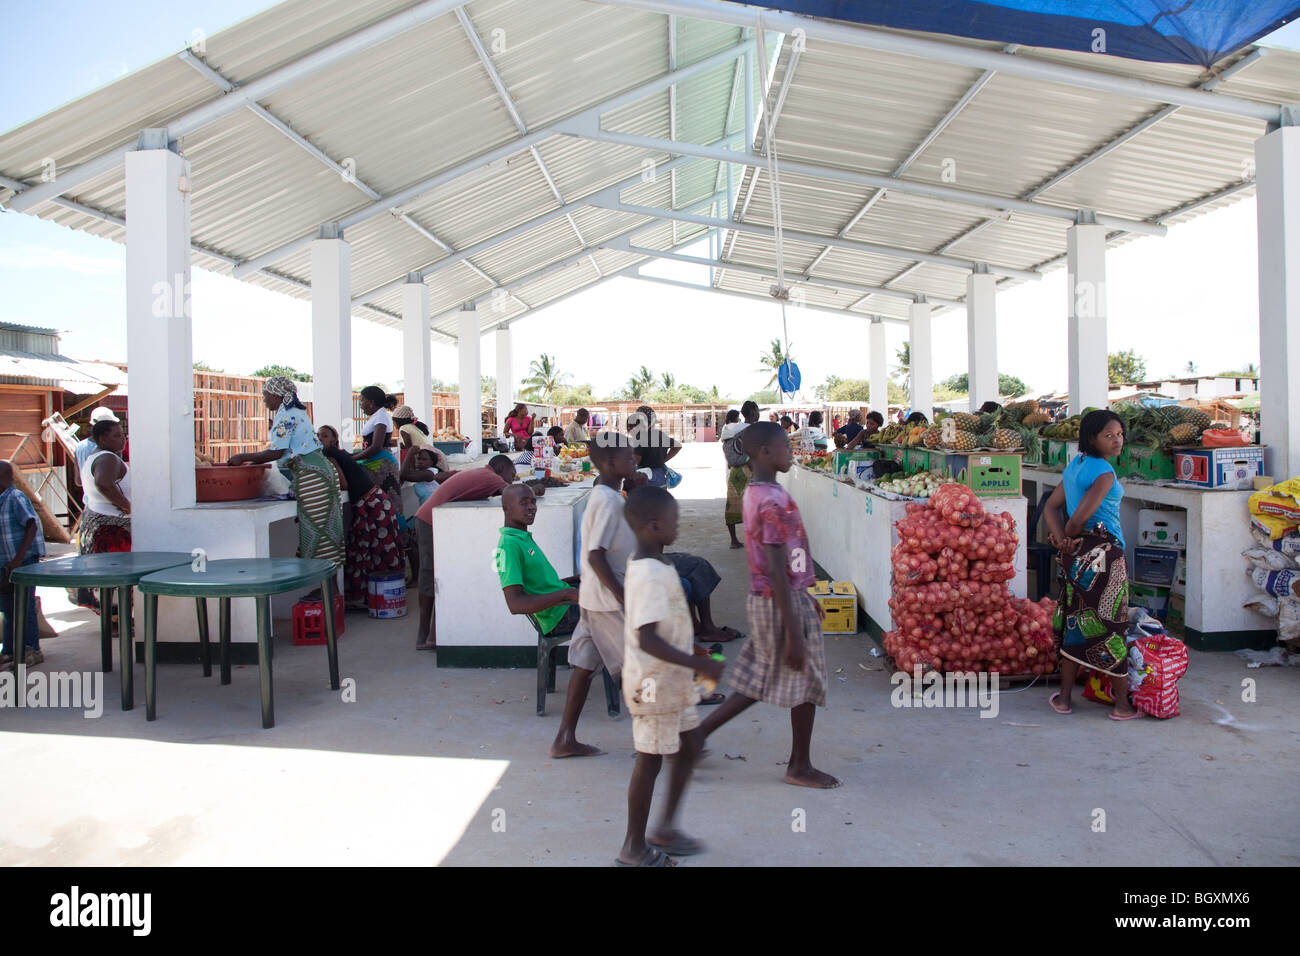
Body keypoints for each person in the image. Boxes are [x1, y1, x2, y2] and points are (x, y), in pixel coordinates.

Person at [692, 422, 839, 789]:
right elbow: (776, 567)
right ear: (764, 453)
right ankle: (799, 765)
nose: (792, 452)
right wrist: (792, 629)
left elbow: (789, 558)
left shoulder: (761, 492)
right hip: (778, 602)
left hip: (777, 599)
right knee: (804, 682)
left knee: (757, 681)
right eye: (786, 447)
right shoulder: (771, 500)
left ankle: (693, 737)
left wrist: (806, 593)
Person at [617, 486, 726, 866]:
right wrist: (699, 664)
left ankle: (664, 828)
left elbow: (666, 627)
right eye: (674, 521)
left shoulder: (659, 565)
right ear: (652, 525)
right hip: (652, 685)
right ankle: (633, 847)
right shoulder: (647, 574)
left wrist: (693, 652)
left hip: (673, 680)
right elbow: (647, 638)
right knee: (650, 759)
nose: (679, 526)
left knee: (692, 741)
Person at [1043, 410, 1139, 720]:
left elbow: (1051, 507)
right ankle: (1123, 706)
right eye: (1108, 435)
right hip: (1104, 557)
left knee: (1076, 623)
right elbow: (1078, 520)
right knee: (1111, 628)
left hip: (1077, 556)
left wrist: (1062, 542)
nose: (1117, 440)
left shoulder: (1076, 466)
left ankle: (1064, 699)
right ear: (1092, 438)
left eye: (1119, 434)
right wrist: (1067, 534)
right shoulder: (1103, 473)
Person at [549, 433, 639, 757]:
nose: (635, 461)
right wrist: (623, 596)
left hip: (592, 598)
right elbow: (596, 555)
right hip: (607, 602)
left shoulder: (610, 496)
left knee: (585, 665)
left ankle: (564, 739)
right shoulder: (607, 500)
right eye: (629, 458)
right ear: (610, 463)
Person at [229, 377, 344, 566]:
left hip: (312, 477)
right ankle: (331, 592)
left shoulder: (285, 416)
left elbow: (277, 451)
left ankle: (328, 592)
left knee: (317, 532)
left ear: (276, 395)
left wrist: (243, 457)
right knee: (324, 531)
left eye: (266, 396)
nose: (265, 400)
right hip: (319, 472)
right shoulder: (295, 411)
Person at [412, 455, 517, 650]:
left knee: (435, 575)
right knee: (430, 576)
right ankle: (424, 636)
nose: (511, 480)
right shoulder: (491, 476)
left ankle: (431, 635)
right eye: (511, 475)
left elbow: (442, 477)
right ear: (501, 468)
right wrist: (534, 489)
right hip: (429, 520)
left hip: (430, 518)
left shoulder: (479, 472)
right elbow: (513, 495)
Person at [318, 424, 403, 611]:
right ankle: (371, 598)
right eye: (318, 435)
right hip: (375, 501)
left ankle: (372, 598)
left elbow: (343, 483)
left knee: (373, 550)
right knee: (369, 549)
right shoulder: (340, 453)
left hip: (372, 504)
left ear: (333, 439)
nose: (320, 438)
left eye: (324, 435)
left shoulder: (330, 456)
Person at [496, 483, 581, 639]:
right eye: (523, 503)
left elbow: (540, 586)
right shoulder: (508, 545)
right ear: (506, 508)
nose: (531, 507)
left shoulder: (522, 538)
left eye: (533, 502)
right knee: (620, 609)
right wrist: (567, 593)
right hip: (559, 617)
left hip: (564, 605)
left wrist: (574, 580)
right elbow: (515, 604)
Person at [0, 460, 45, 667]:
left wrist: (18, 559)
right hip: (5, 563)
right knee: (9, 608)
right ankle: (9, 650)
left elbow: (31, 526)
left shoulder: (15, 497)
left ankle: (31, 649)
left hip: (22, 561)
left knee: (24, 606)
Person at [79, 419, 131, 554]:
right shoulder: (107, 458)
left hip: (99, 523)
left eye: (123, 435)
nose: (123, 439)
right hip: (111, 529)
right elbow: (104, 484)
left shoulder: (94, 457)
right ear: (103, 439)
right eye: (117, 435)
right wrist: (128, 506)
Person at [351, 386, 401, 496]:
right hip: (376, 461)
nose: (360, 404)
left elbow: (376, 447)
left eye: (362, 400)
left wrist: (353, 458)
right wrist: (351, 455)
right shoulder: (377, 415)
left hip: (380, 464)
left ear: (371, 402)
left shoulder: (381, 416)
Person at [723, 401, 759, 549]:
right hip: (751, 470)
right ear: (751, 412)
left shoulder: (732, 428)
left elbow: (726, 446)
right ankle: (753, 540)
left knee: (733, 505)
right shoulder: (753, 429)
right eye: (756, 411)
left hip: (735, 471)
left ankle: (734, 540)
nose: (758, 413)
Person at [628, 406, 681, 488]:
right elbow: (677, 446)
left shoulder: (639, 437)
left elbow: (636, 461)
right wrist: (663, 460)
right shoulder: (660, 435)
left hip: (645, 479)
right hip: (661, 477)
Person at [72, 406, 120, 487]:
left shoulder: (79, 447)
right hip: (107, 498)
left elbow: (79, 481)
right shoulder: (110, 447)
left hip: (88, 498)